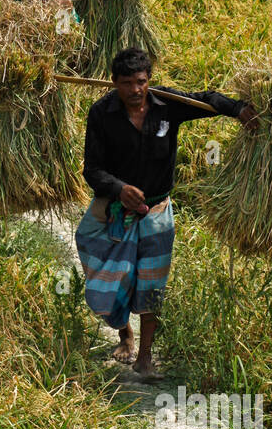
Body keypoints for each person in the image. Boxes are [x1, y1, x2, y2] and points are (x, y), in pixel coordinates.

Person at [75, 47, 257, 376]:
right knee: (109, 274)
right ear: (114, 82)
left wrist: (239, 108)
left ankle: (145, 357)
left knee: (152, 284)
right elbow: (92, 169)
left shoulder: (166, 106)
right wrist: (119, 189)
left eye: (141, 82)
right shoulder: (101, 113)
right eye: (127, 82)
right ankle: (124, 335)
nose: (135, 90)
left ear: (150, 80)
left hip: (157, 210)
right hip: (115, 209)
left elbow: (207, 100)